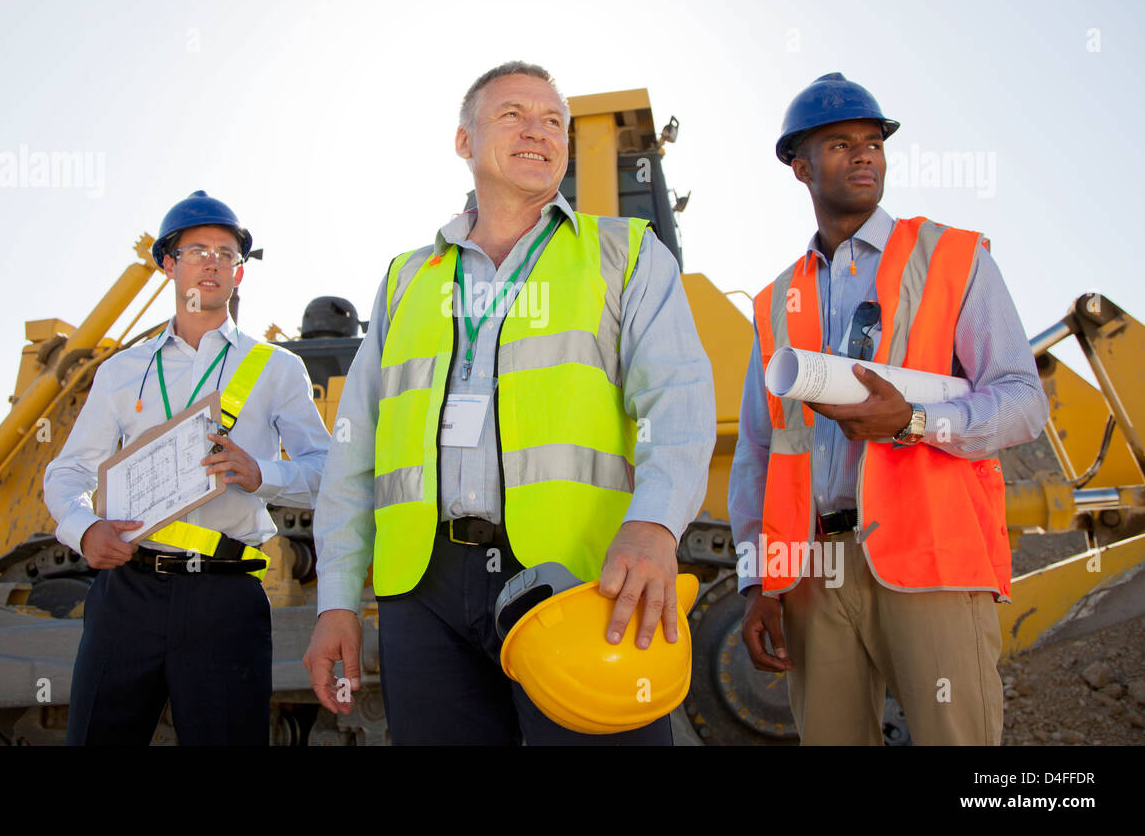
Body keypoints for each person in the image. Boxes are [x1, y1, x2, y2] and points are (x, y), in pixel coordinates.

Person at [303, 61, 716, 744]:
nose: (540, 131)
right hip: (423, 592)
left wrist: (656, 526)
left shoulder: (626, 255)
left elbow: (678, 400)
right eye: (513, 115)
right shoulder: (407, 280)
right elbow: (356, 449)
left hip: (580, 580)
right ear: (464, 143)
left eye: (554, 121)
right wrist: (336, 601)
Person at [729, 73, 1048, 745]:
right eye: (841, 144)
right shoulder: (774, 302)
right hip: (816, 574)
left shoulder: (951, 259)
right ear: (801, 167)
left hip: (932, 559)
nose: (865, 155)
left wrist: (914, 421)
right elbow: (759, 451)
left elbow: (1022, 400)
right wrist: (760, 581)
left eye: (873, 142)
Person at [44, 191, 330, 745]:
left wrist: (261, 473)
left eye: (227, 253)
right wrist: (83, 530)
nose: (213, 262)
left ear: (239, 274)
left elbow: (326, 474)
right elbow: (67, 474)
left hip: (225, 598)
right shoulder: (122, 370)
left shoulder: (276, 369)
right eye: (198, 249)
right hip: (125, 593)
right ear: (169, 265)